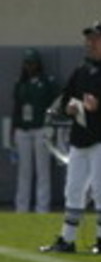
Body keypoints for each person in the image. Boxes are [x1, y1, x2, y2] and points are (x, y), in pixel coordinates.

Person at [41, 22, 101, 255]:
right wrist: (67, 107)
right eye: (89, 39)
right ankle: (67, 239)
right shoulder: (82, 70)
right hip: (81, 134)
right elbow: (66, 96)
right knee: (73, 187)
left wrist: (100, 106)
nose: (91, 44)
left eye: (96, 39)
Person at [11, 49, 57, 213]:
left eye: (32, 63)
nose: (29, 66)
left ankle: (42, 208)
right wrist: (13, 131)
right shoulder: (21, 83)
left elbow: (56, 104)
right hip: (23, 130)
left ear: (38, 64)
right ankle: (21, 208)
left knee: (42, 171)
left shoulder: (47, 82)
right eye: (27, 63)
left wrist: (52, 127)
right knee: (24, 171)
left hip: (41, 129)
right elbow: (16, 108)